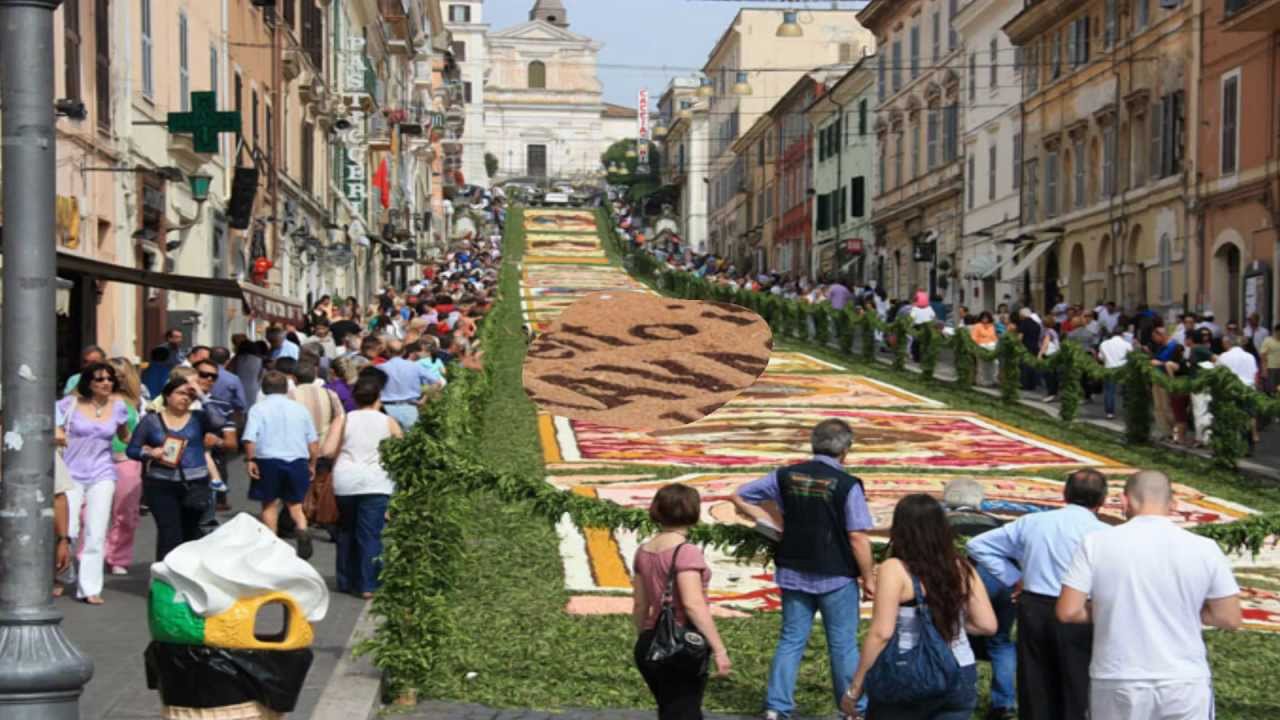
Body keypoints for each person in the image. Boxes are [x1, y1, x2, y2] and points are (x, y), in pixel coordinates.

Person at [1057, 471, 1242, 720]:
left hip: (1117, 675)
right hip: (1184, 679)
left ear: (1124, 501)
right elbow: (1229, 617)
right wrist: (1185, 609)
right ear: (1174, 503)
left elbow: (1068, 611)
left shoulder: (1095, 543)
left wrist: (1110, 608)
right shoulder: (1205, 548)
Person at [731, 420, 876, 719]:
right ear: (846, 450)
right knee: (843, 645)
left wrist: (770, 524)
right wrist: (869, 577)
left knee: (791, 640)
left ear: (813, 444)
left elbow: (740, 494)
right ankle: (852, 710)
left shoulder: (785, 475)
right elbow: (858, 536)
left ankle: (777, 706)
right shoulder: (847, 484)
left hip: (793, 569)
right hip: (836, 574)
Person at [966, 469, 1110, 720]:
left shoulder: (1033, 522)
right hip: (1081, 610)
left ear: (1065, 493)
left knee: (1035, 681)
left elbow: (977, 545)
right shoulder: (1105, 532)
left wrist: (1014, 577)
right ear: (1103, 500)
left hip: (1036, 607)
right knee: (1077, 681)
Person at [841, 494, 997, 719]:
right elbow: (987, 625)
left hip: (907, 671)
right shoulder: (962, 568)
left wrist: (855, 688)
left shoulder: (894, 569)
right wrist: (947, 623)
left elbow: (881, 633)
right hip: (959, 671)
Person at [632, 484, 731, 720]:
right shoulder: (686, 552)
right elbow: (692, 604)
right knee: (686, 711)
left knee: (668, 710)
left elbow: (640, 605)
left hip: (651, 641)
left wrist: (644, 638)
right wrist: (719, 649)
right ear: (693, 511)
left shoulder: (643, 551)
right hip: (681, 644)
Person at [126, 376, 234, 560]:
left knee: (191, 534)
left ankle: (186, 572)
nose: (185, 397)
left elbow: (219, 421)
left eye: (189, 395)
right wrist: (150, 453)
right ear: (167, 396)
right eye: (180, 393)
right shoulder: (151, 421)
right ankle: (165, 574)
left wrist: (200, 393)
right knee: (169, 533)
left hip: (195, 483)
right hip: (161, 484)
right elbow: (132, 450)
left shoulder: (198, 418)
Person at [55, 363, 131, 604]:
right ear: (89, 382)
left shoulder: (119, 406)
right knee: (67, 529)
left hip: (103, 472)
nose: (106, 383)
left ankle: (90, 588)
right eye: (100, 379)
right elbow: (52, 424)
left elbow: (124, 435)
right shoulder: (69, 404)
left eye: (109, 379)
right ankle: (61, 575)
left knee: (96, 531)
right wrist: (57, 433)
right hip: (70, 473)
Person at [323, 377, 403, 598]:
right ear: (378, 398)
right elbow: (401, 451)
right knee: (370, 534)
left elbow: (327, 450)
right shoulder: (388, 421)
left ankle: (346, 580)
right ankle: (368, 584)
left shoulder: (344, 419)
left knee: (347, 530)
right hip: (377, 481)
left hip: (346, 481)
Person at [941, 480, 1014, 720]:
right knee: (1001, 642)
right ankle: (1004, 703)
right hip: (1002, 581)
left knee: (950, 636)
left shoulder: (941, 523)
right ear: (979, 501)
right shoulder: (996, 523)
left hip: (962, 582)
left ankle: (953, 696)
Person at [242, 371, 319, 559]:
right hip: (297, 459)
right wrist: (312, 463)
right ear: (286, 388)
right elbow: (313, 441)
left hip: (268, 459)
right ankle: (302, 529)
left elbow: (250, 437)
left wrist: (251, 459)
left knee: (269, 504)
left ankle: (272, 542)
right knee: (295, 505)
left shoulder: (258, 409)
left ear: (263, 389)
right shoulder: (300, 410)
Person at [104, 357, 144, 576]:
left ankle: (118, 556)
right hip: (96, 460)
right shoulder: (91, 399)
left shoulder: (135, 401)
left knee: (126, 513)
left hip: (127, 460)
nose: (115, 380)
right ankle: (94, 553)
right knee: (88, 514)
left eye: (120, 375)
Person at [378, 339, 435, 430]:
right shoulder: (415, 366)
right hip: (410, 408)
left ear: (387, 352)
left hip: (387, 409)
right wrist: (424, 399)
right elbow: (437, 382)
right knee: (411, 437)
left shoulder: (380, 368)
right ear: (404, 351)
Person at [1097, 329, 1130, 420]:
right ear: (1122, 335)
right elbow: (1131, 356)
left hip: (1109, 368)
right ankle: (1127, 408)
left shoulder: (1104, 344)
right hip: (1123, 368)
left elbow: (1100, 357)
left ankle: (1110, 413)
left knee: (1109, 391)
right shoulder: (1127, 344)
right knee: (1126, 389)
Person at [232, 339, 265, 406]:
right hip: (253, 387)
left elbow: (231, 372)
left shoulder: (236, 359)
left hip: (238, 386)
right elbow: (260, 375)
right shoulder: (259, 360)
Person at [1262, 323, 1280, 395]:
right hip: (1271, 368)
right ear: (1276, 331)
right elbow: (1263, 355)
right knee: (1271, 389)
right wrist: (1264, 369)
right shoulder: (1268, 340)